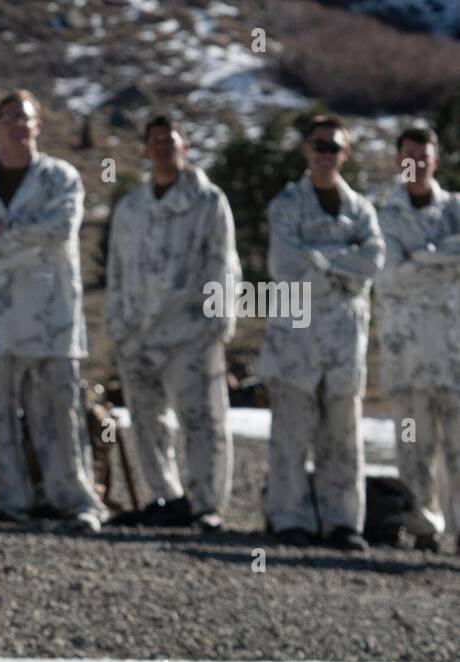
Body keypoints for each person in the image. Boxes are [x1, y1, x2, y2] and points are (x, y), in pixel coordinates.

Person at [0, 89, 107, 531]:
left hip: (49, 321)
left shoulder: (61, 179)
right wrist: (23, 236)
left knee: (59, 415)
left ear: (37, 125)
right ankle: (12, 498)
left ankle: (75, 500)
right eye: (7, 118)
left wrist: (3, 233)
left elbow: (59, 231)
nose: (16, 125)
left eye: (24, 118)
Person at [106, 115, 240, 533]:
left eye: (171, 140)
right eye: (155, 141)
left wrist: (218, 323)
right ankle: (166, 497)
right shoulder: (131, 207)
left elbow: (223, 263)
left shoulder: (208, 201)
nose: (163, 147)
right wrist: (118, 328)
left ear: (184, 147)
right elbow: (117, 271)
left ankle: (205, 505)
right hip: (139, 334)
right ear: (145, 150)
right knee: (148, 422)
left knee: (203, 422)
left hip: (191, 333)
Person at [259, 115, 385, 551]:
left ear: (345, 154)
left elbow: (373, 262)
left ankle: (342, 522)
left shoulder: (362, 211)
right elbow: (287, 267)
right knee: (291, 435)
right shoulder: (287, 204)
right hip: (296, 339)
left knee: (343, 437)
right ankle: (288, 517)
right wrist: (343, 265)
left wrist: (325, 262)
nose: (326, 154)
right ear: (305, 150)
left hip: (344, 343)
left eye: (334, 147)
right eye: (319, 146)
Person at [374, 125, 460, 553]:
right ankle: (424, 527)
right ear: (398, 160)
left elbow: (408, 269)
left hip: (454, 358)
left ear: (436, 160)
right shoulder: (385, 217)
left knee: (459, 451)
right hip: (406, 361)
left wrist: (419, 257)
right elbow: (388, 278)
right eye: (409, 156)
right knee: (413, 447)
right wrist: (445, 261)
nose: (417, 164)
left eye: (424, 156)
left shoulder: (456, 209)